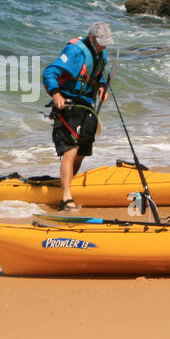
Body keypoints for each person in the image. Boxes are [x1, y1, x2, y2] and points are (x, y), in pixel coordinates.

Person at [43, 22, 113, 211]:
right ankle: (66, 198)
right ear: (92, 38)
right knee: (70, 150)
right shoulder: (75, 51)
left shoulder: (101, 54)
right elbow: (49, 72)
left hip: (86, 106)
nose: (104, 46)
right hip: (68, 104)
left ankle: (65, 188)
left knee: (82, 152)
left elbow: (98, 76)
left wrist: (101, 87)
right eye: (101, 42)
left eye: (106, 42)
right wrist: (56, 94)